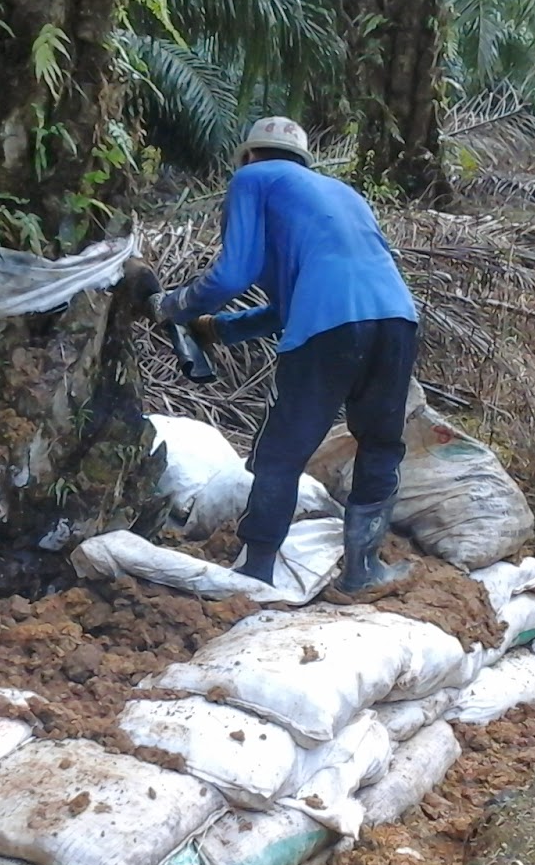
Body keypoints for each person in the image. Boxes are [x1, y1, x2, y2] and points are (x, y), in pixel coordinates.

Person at [153, 117, 420, 603]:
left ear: (249, 154)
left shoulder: (253, 178)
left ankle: (256, 570)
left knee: (281, 453)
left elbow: (231, 275)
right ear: (304, 161)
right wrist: (221, 330)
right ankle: (362, 571)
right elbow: (287, 307)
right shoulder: (343, 195)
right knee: (380, 445)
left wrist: (176, 305)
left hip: (326, 328)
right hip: (397, 319)